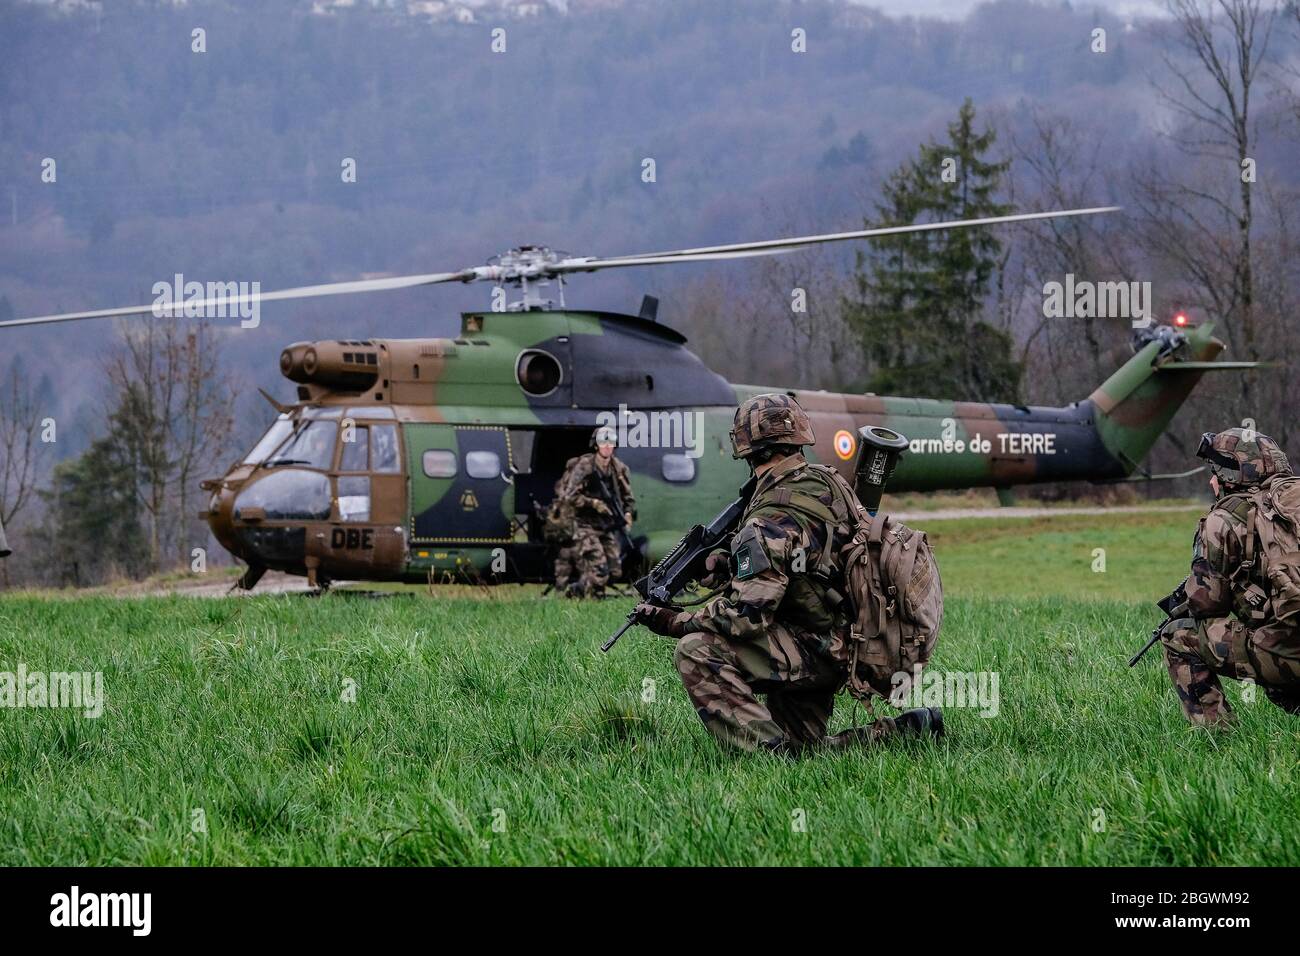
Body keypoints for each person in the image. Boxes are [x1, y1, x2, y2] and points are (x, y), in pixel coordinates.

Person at [633, 393, 940, 754]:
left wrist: (675, 621)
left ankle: (770, 756)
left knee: (697, 650)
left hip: (818, 648)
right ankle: (905, 731)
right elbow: (806, 563)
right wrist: (730, 566)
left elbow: (746, 618)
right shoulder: (827, 482)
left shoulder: (767, 519)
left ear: (748, 450)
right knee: (808, 749)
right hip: (850, 640)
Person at [1158, 427, 1300, 726]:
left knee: (1178, 635)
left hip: (1291, 653)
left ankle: (1216, 737)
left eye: (1215, 472)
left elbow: (1205, 606)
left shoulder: (1223, 521)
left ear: (1231, 476)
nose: (1212, 480)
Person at [552, 425, 636, 598]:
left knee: (614, 570)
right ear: (596, 445)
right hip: (584, 525)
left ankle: (580, 590)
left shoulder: (619, 469)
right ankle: (588, 597)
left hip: (606, 525)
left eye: (610, 442)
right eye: (603, 442)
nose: (607, 446)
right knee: (600, 568)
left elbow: (628, 497)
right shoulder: (585, 466)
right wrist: (593, 503)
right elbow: (569, 496)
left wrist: (627, 514)